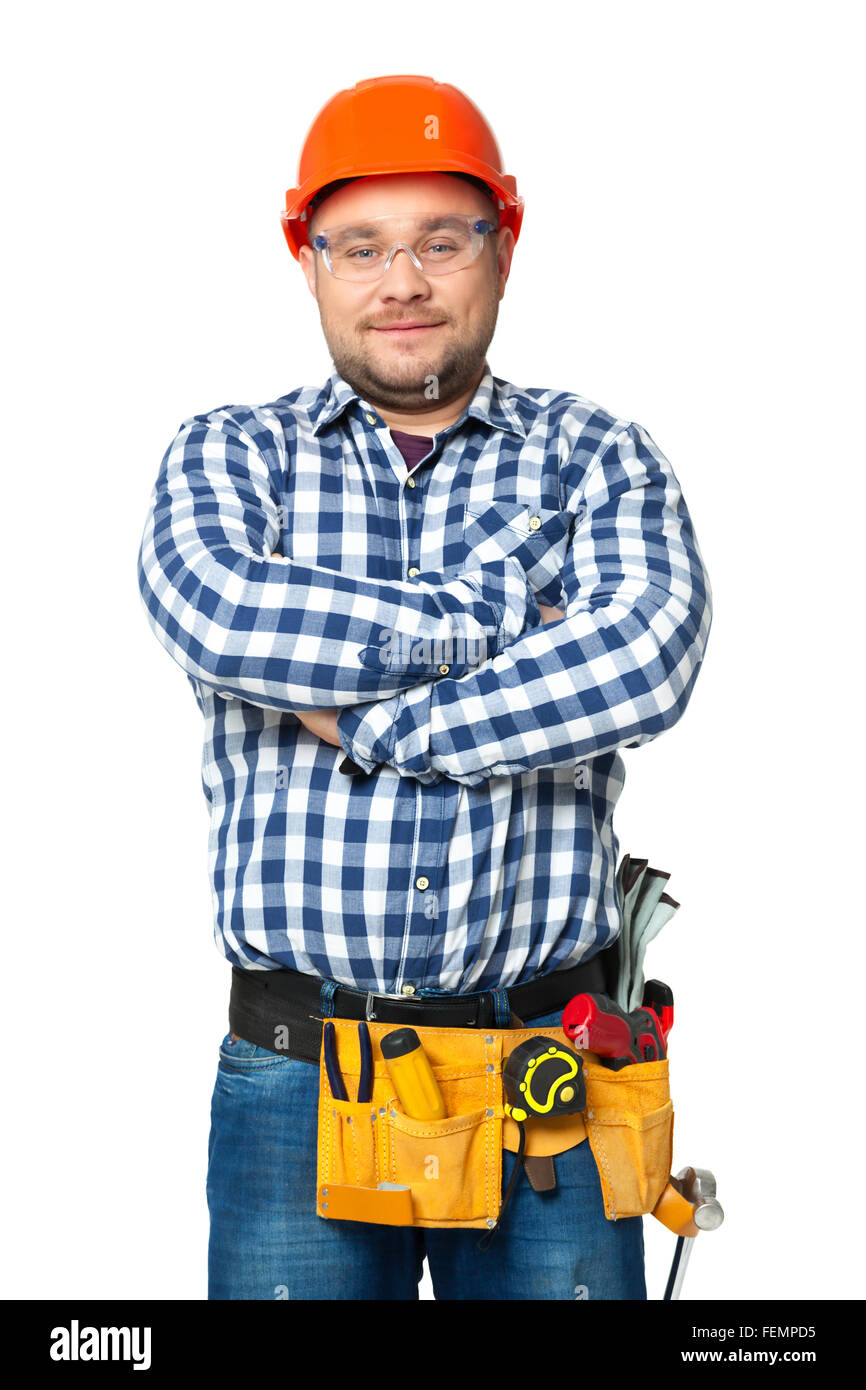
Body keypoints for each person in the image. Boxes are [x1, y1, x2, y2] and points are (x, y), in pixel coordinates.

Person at [136, 74, 712, 1300]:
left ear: (501, 250)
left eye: (439, 241)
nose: (401, 279)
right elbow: (225, 612)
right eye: (362, 245)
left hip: (543, 1075)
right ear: (310, 263)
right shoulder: (230, 454)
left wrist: (380, 725)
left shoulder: (596, 454)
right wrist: (506, 609)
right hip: (298, 1076)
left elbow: (645, 656)